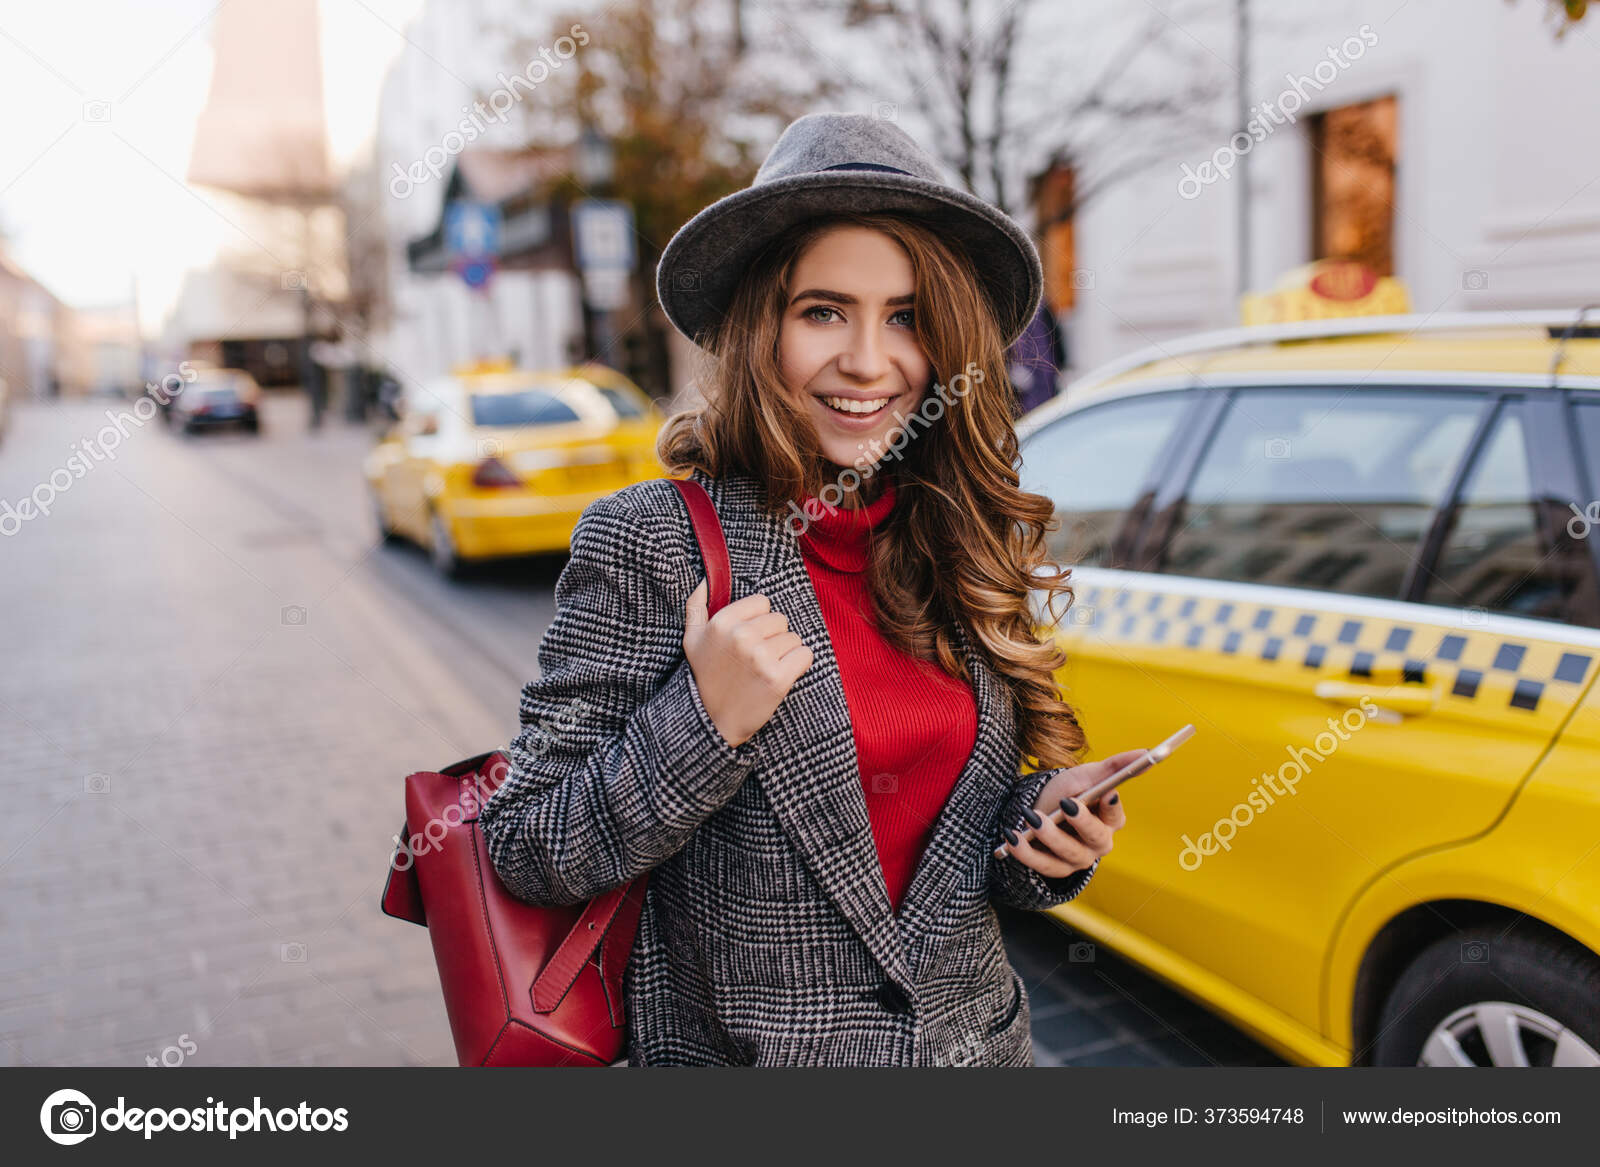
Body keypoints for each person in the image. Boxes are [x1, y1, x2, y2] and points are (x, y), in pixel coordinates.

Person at [479, 111, 1132, 1067]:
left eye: (905, 316)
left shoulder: (951, 528)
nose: (869, 360)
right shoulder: (654, 541)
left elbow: (922, 856)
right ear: (760, 327)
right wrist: (704, 724)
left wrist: (1041, 835)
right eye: (823, 310)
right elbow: (526, 844)